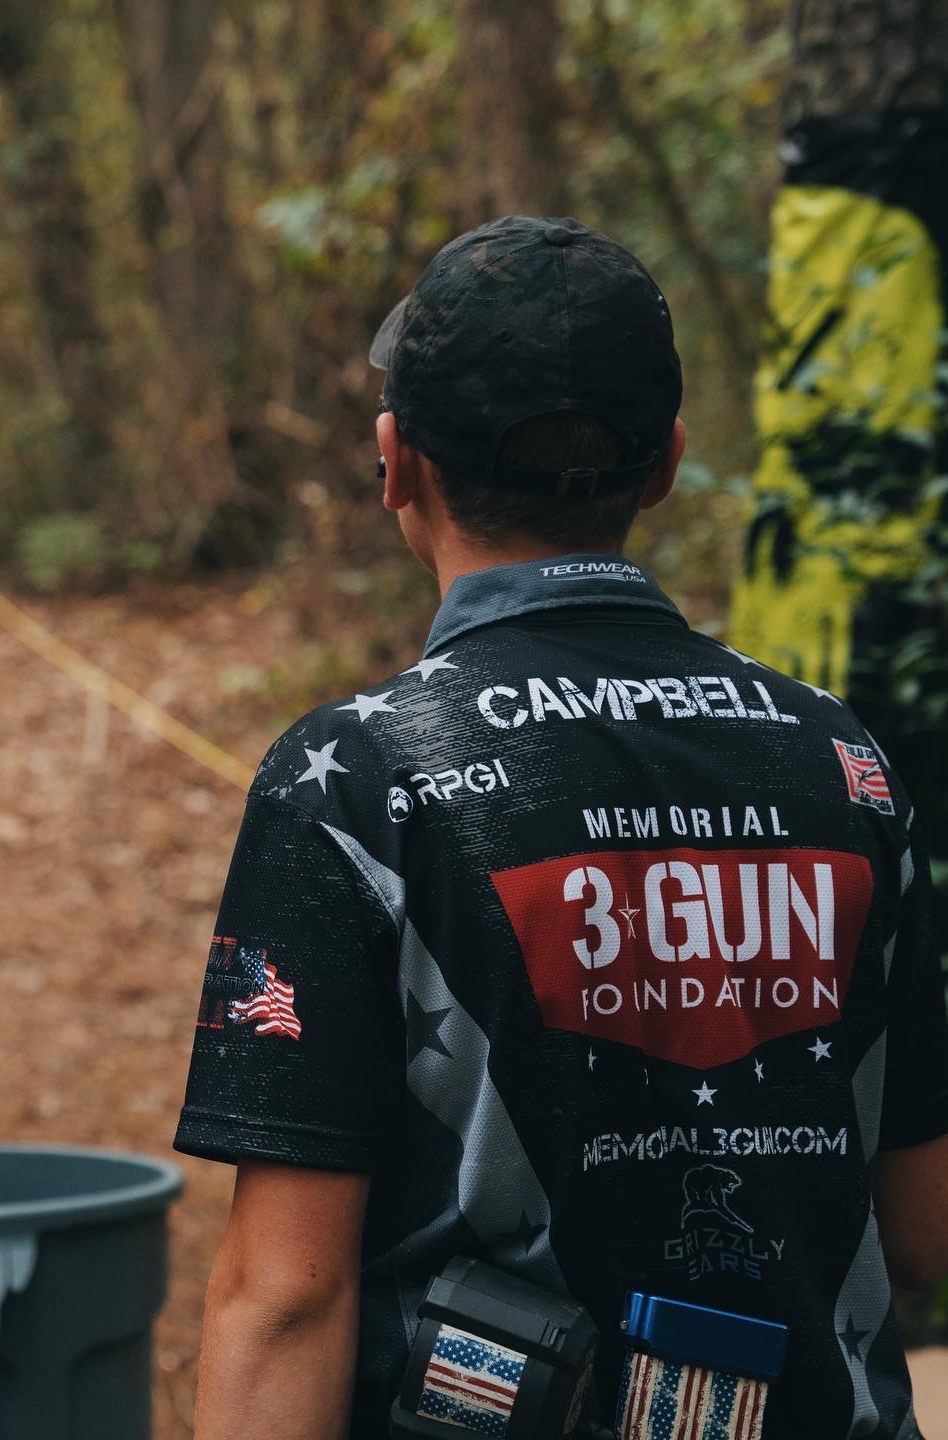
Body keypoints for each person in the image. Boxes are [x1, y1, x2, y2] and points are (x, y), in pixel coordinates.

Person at [175, 216, 948, 1439]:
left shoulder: (357, 784)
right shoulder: (844, 763)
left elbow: (284, 1300)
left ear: (396, 463)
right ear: (668, 464)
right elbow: (923, 1230)